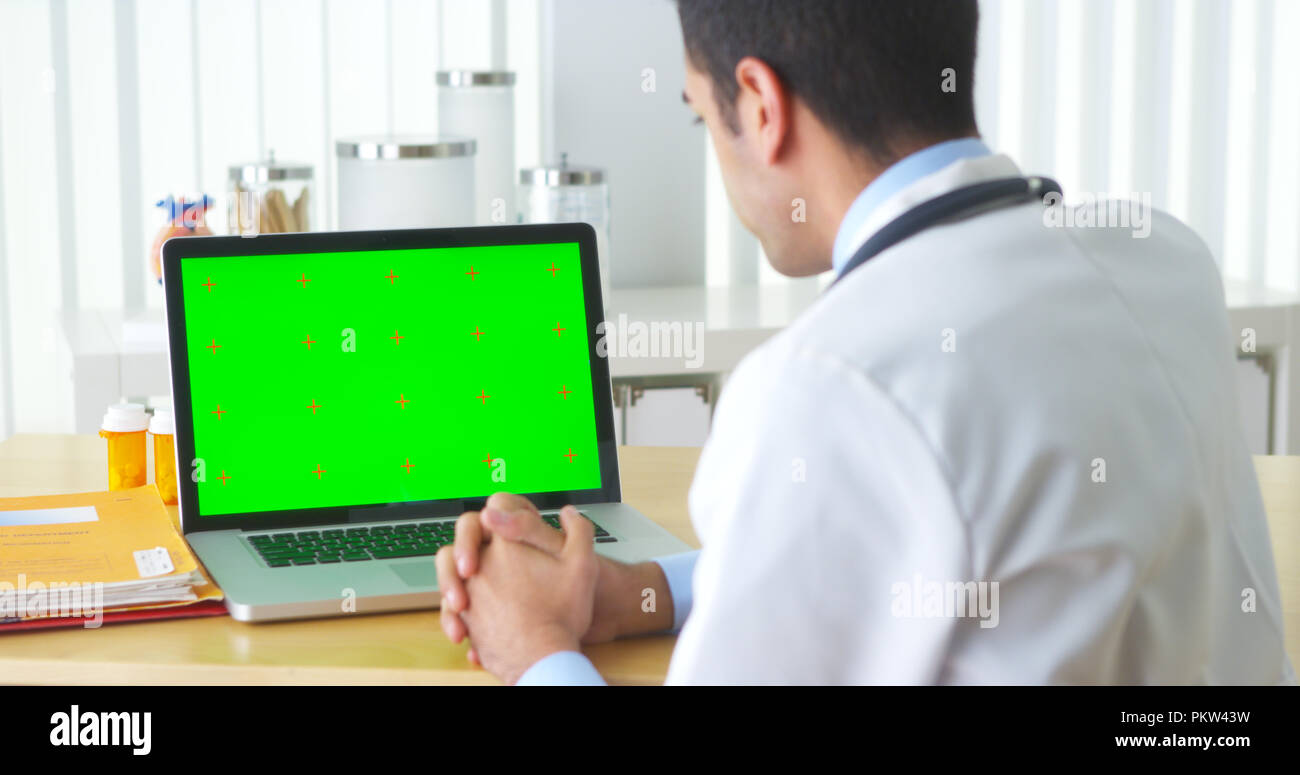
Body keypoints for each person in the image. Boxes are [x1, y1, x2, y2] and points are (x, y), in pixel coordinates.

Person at [434, 0, 1294, 685]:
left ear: (762, 107)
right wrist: (651, 592)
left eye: (704, 120)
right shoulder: (1165, 257)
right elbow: (961, 546)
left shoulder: (828, 386)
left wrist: (540, 648)